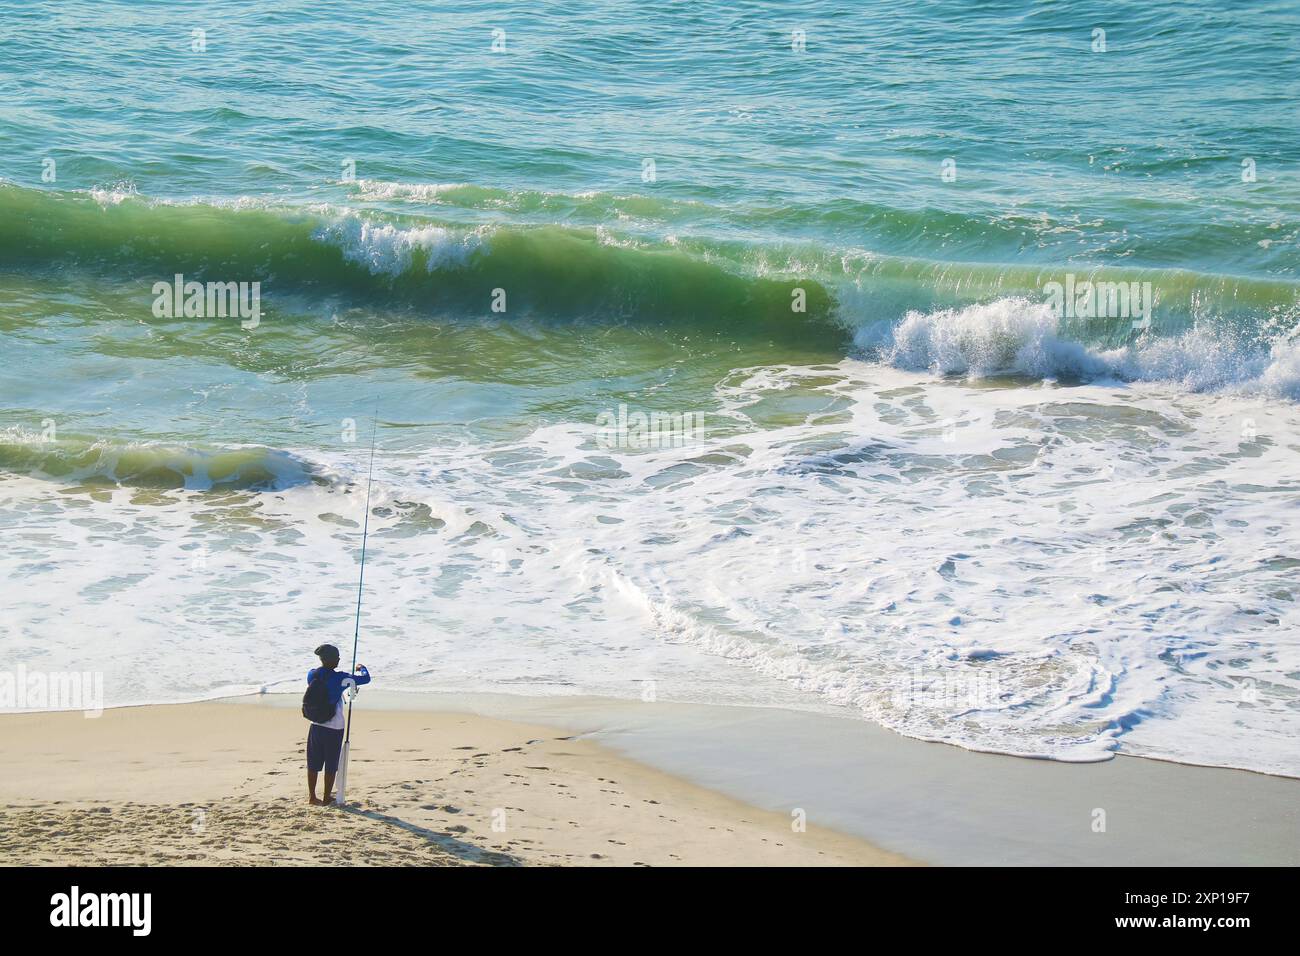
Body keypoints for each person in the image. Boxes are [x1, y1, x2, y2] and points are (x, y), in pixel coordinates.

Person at [304, 643, 370, 805]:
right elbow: (366, 679)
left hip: (316, 724)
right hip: (334, 727)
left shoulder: (312, 675)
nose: (339, 659)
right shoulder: (341, 678)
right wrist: (362, 667)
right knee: (331, 763)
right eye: (337, 657)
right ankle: (326, 798)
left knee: (313, 762)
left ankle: (312, 797)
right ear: (332, 659)